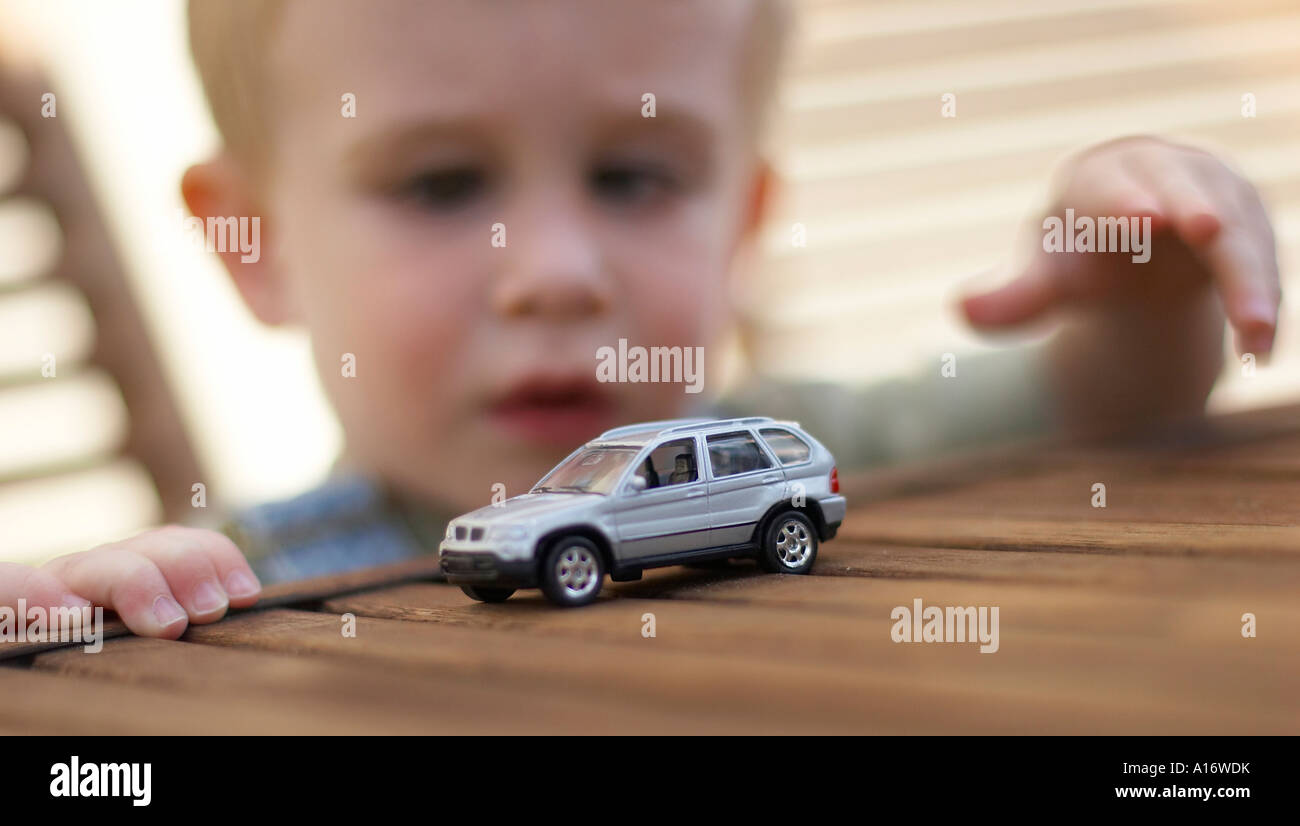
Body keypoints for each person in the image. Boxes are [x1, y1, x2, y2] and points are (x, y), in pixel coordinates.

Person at [0, 0, 1280, 639]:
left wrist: (1146, 285)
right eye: (442, 184)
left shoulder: (817, 453)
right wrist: (62, 625)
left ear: (740, 223)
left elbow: (1110, 404)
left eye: (633, 177)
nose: (555, 273)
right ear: (256, 245)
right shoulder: (240, 597)